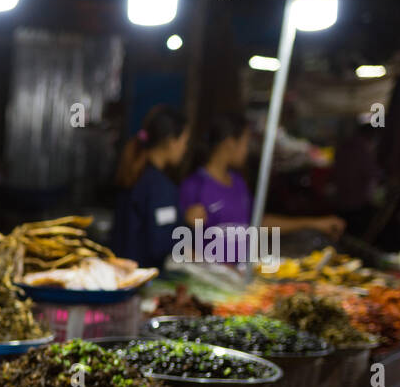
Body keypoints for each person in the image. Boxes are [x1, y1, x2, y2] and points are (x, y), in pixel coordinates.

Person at [180, 113, 345, 265]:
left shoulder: (238, 183)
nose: (248, 149)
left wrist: (315, 223)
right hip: (212, 283)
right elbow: (181, 246)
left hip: (243, 278)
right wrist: (187, 224)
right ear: (230, 143)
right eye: (245, 143)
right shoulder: (194, 186)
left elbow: (258, 223)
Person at [111, 105, 190, 270]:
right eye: (184, 141)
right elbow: (159, 245)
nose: (185, 149)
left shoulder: (133, 173)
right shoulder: (160, 188)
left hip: (121, 273)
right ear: (170, 141)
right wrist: (186, 226)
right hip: (143, 278)